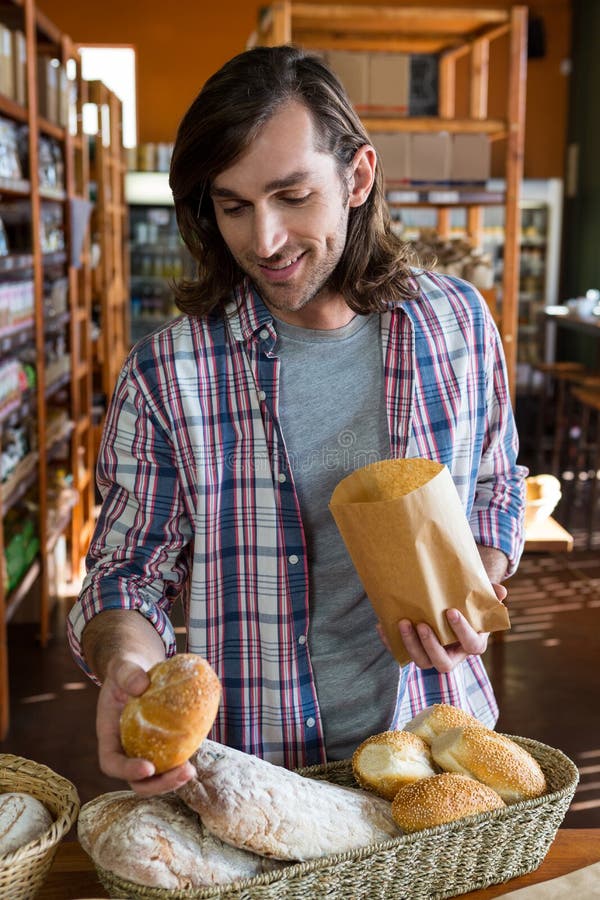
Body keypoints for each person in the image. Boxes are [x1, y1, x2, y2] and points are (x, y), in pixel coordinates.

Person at [67, 45, 526, 796]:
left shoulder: (457, 322)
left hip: (441, 758)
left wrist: (473, 580)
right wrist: (126, 661)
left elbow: (498, 487)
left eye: (291, 195)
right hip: (256, 779)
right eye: (234, 206)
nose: (265, 241)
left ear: (357, 177)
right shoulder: (165, 375)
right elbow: (128, 572)